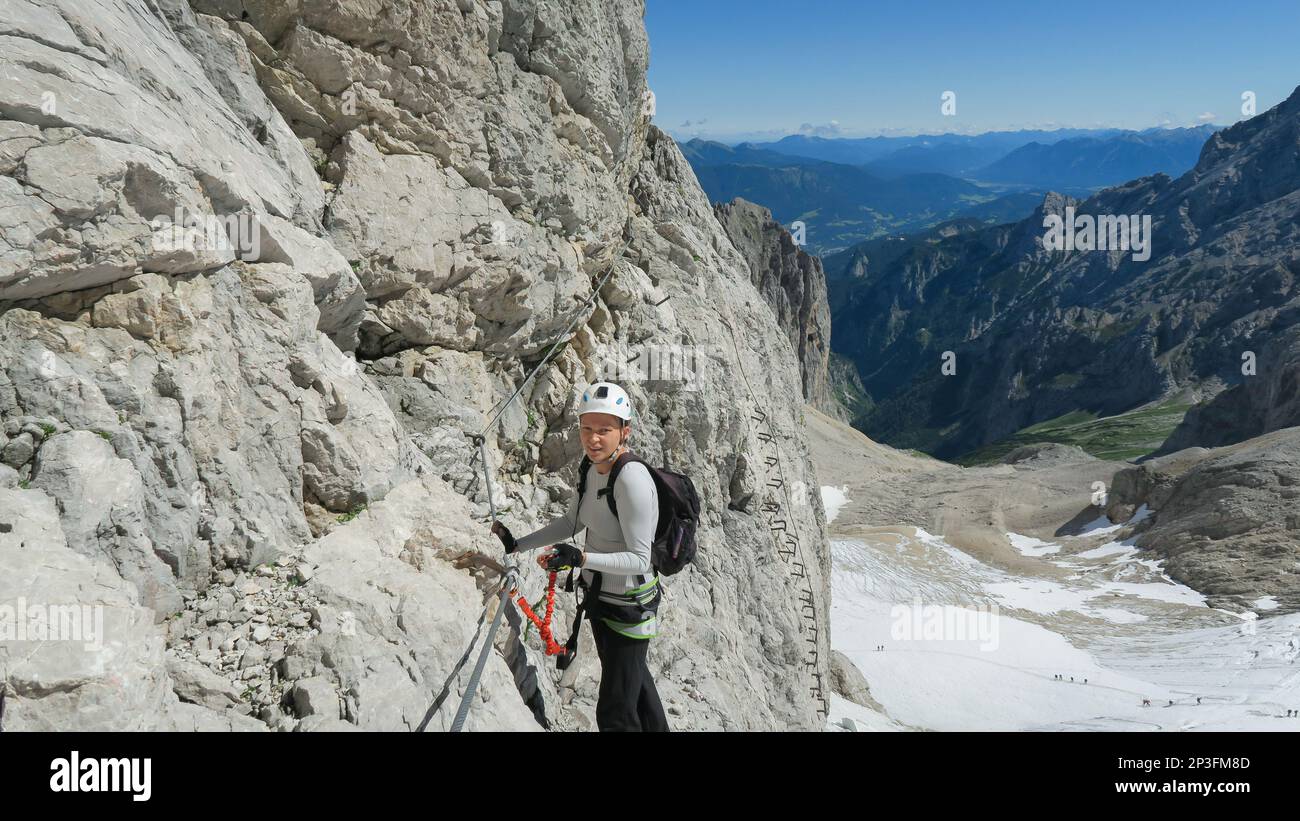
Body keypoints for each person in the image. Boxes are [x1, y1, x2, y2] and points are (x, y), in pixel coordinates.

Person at [491, 381, 669, 732]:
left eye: (605, 430)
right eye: (587, 428)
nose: (593, 438)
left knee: (616, 713)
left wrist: (582, 559)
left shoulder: (631, 480)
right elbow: (573, 522)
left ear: (625, 431)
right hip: (603, 602)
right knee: (636, 689)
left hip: (630, 610)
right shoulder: (590, 469)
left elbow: (638, 559)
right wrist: (519, 545)